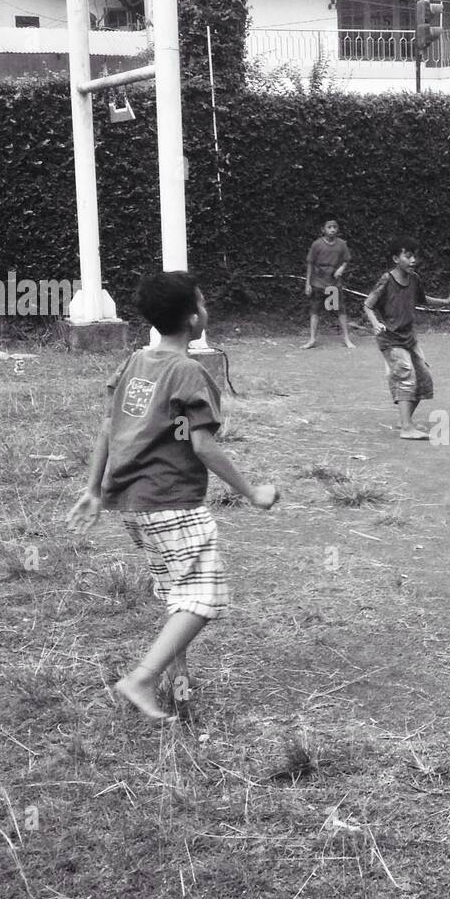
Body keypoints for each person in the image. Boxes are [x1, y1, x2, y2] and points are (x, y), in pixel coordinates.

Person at [67, 272, 280, 722]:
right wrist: (252, 493)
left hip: (132, 504)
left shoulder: (135, 362)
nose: (206, 310)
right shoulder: (188, 371)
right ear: (193, 317)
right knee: (204, 597)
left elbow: (109, 426)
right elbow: (202, 446)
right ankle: (141, 678)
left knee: (178, 595)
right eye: (203, 303)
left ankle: (175, 689)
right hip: (171, 502)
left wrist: (92, 489)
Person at [362, 238, 450, 440]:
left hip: (409, 338)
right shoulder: (386, 280)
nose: (413, 259)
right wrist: (375, 323)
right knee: (406, 377)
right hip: (390, 340)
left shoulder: (414, 279)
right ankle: (407, 428)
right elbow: (368, 304)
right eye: (408, 256)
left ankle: (404, 420)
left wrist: (447, 301)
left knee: (424, 380)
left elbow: (423, 300)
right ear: (396, 258)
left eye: (415, 255)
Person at [302, 215, 354, 350]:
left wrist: (341, 268)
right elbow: (310, 264)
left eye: (334, 227)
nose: (332, 230)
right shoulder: (317, 244)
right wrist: (307, 283)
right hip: (318, 282)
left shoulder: (342, 244)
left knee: (340, 310)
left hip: (334, 284)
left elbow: (347, 260)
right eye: (329, 227)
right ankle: (312, 339)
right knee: (315, 311)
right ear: (323, 229)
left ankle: (346, 338)